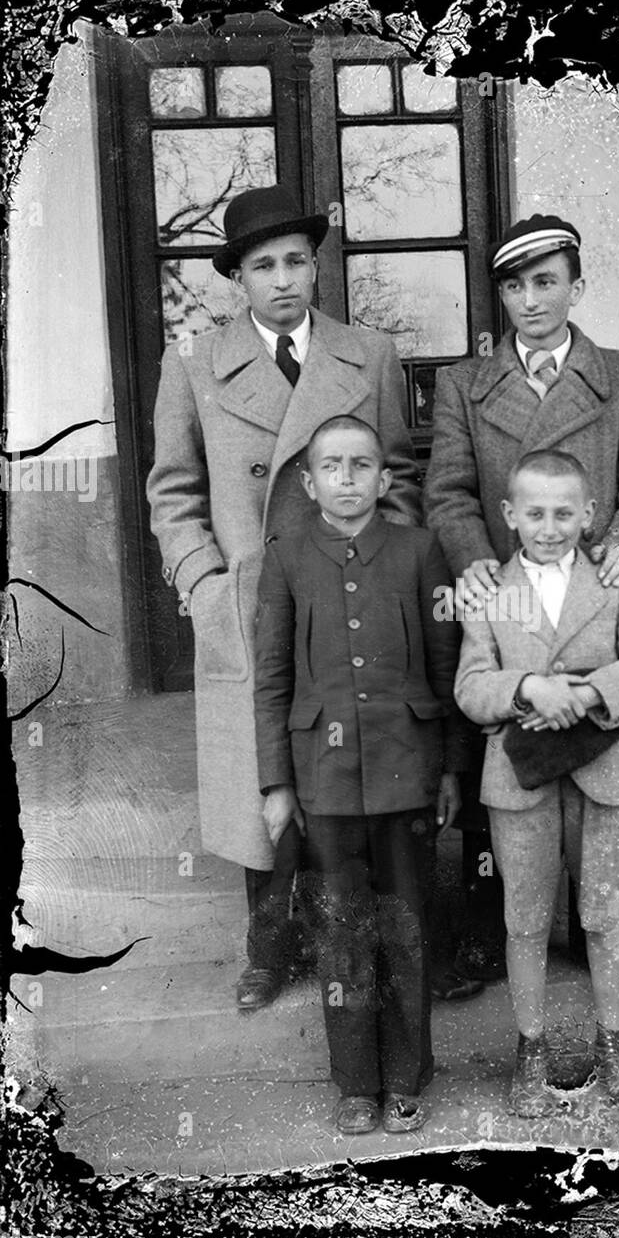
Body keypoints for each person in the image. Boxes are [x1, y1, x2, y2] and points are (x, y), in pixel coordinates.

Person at [146, 184, 422, 1013]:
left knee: (346, 766)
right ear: (238, 279)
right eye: (262, 265)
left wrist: (390, 579)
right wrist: (204, 582)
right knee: (259, 771)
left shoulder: (366, 353)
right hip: (254, 601)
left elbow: (397, 476)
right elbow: (172, 491)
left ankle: (377, 941)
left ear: (315, 266)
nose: (282, 280)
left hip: (348, 595)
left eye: (296, 260)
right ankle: (267, 944)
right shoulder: (194, 360)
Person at [424, 214, 619, 991]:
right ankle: (483, 934)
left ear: (575, 287)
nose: (529, 301)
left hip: (589, 591)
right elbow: (450, 492)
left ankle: (610, 937)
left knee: (599, 757)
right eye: (513, 285)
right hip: (502, 599)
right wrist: (474, 565)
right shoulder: (465, 385)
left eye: (545, 281)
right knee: (496, 758)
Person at [252, 415, 465, 1135]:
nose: (347, 479)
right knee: (342, 934)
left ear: (384, 478)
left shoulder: (418, 551)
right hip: (325, 781)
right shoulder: (285, 557)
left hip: (407, 773)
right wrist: (277, 783)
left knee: (404, 928)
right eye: (332, 467)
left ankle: (405, 1077)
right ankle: (354, 1082)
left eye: (361, 465)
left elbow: (445, 666)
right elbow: (272, 679)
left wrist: (450, 770)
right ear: (309, 484)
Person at [454, 450, 619, 1116]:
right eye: (534, 514)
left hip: (601, 770)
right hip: (519, 779)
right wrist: (527, 687)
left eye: (562, 514)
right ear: (509, 515)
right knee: (523, 919)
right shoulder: (487, 591)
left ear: (586, 515)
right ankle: (531, 1051)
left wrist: (591, 693)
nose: (548, 528)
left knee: (601, 915)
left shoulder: (611, 583)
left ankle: (613, 1045)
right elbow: (470, 685)